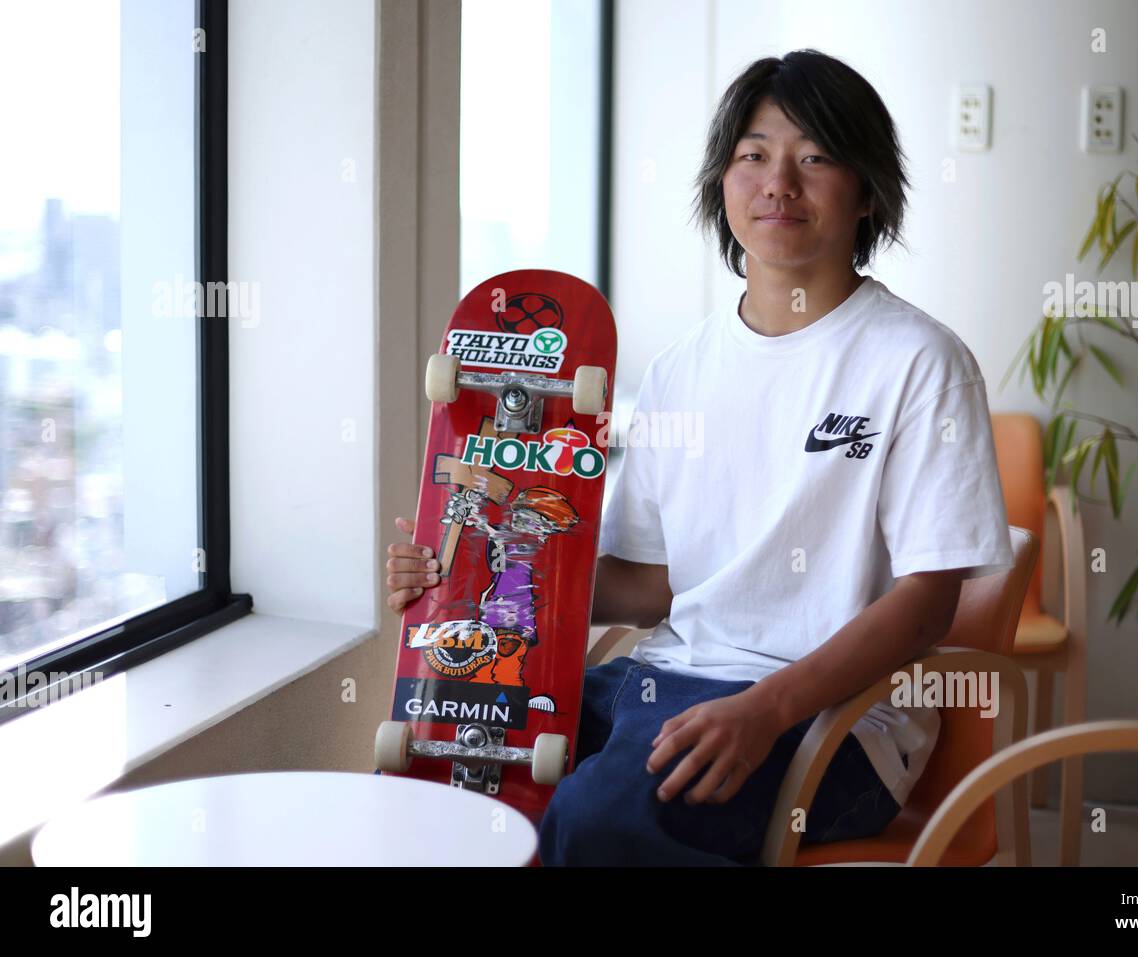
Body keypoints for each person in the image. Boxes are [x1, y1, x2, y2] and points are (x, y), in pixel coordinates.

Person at [385, 49, 1013, 866]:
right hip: (667, 679)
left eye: (814, 157)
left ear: (865, 191)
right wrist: (464, 565)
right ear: (722, 182)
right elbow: (651, 583)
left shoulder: (920, 360)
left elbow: (929, 605)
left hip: (837, 721)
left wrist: (765, 709)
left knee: (595, 819)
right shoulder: (683, 368)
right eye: (753, 155)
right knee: (464, 748)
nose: (778, 183)